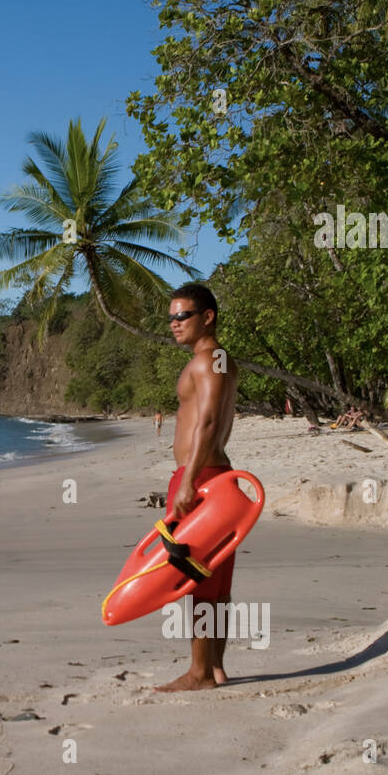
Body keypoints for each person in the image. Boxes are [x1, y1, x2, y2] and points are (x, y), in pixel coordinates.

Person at [156, 283, 240, 693]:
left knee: (198, 581)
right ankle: (216, 666)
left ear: (207, 317)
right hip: (219, 477)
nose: (173, 324)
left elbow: (206, 423)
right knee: (217, 583)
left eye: (181, 316)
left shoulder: (208, 361)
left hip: (202, 478)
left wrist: (187, 480)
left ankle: (199, 673)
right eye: (171, 317)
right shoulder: (220, 359)